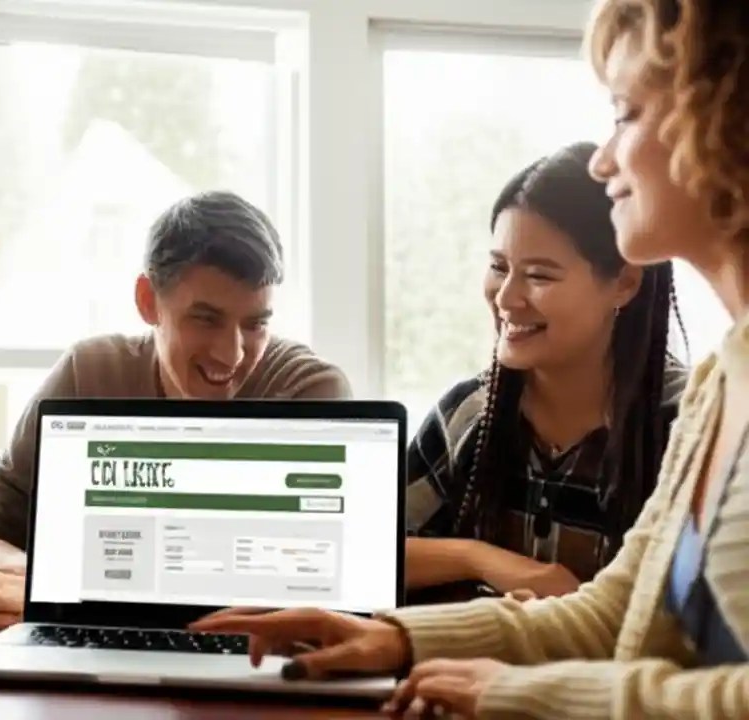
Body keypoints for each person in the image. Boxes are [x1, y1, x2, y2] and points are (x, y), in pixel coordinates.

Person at [190, 0, 749, 717]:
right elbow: (612, 614)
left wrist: (520, 693)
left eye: (626, 113)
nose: (604, 159)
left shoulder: (682, 398)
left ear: (725, 123)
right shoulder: (717, 386)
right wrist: (394, 637)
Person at [0, 190, 352, 628]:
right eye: (206, 319)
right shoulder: (89, 373)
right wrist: (29, 581)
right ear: (148, 301)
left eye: (255, 323)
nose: (233, 353)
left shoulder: (308, 392)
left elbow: (298, 588)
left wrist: (50, 594)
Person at [404, 142, 687, 603]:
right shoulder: (469, 412)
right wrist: (480, 557)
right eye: (499, 267)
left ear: (624, 282)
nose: (506, 297)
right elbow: (371, 554)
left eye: (539, 276)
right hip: (469, 673)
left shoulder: (690, 423)